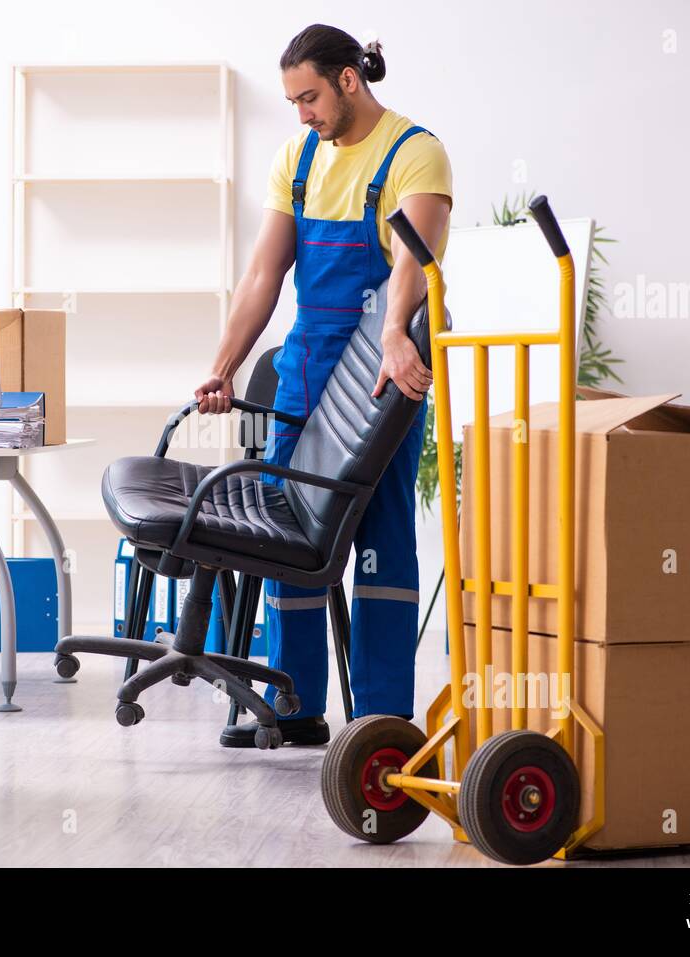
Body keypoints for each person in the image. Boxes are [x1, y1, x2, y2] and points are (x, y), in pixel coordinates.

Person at [196, 24, 453, 747]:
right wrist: (223, 365)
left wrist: (398, 330)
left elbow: (413, 258)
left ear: (349, 79)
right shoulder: (298, 158)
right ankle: (296, 704)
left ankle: (379, 719)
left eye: (308, 96)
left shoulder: (414, 153)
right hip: (306, 376)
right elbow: (263, 274)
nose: (300, 113)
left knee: (380, 542)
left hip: (379, 381)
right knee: (292, 538)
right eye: (291, 100)